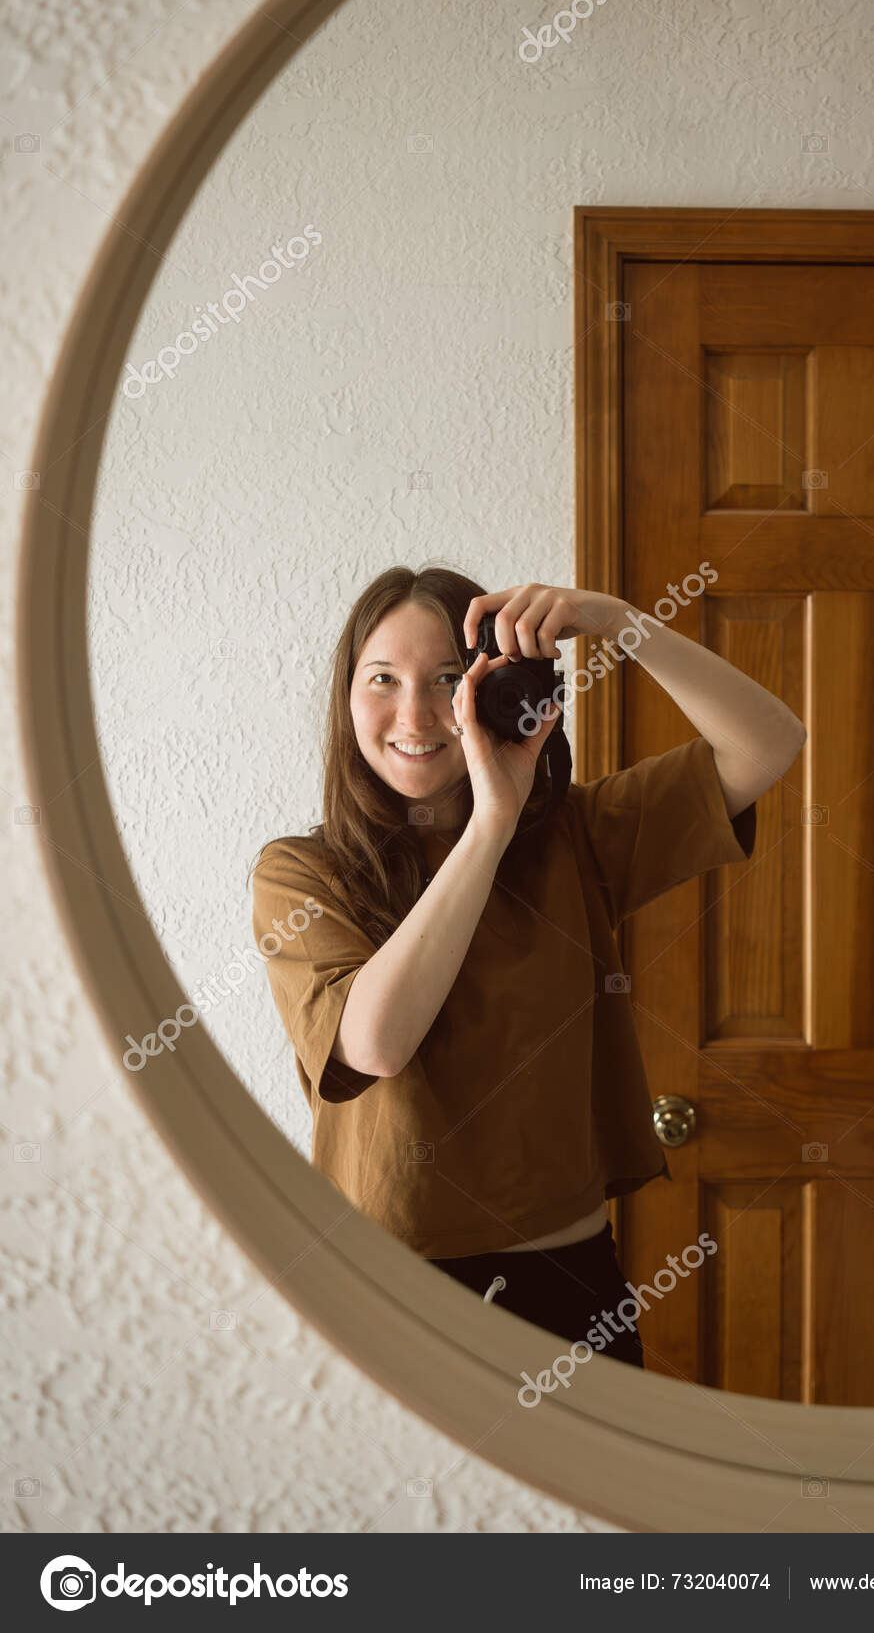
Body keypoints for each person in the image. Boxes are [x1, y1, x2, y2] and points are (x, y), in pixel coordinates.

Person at [250, 564, 804, 1370]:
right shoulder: (302, 874)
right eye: (381, 679)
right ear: (347, 699)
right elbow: (375, 1045)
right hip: (390, 1280)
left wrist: (618, 620)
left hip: (569, 1280)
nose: (414, 713)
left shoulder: (575, 838)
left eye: (448, 679)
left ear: (496, 687)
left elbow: (770, 740)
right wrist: (490, 824)